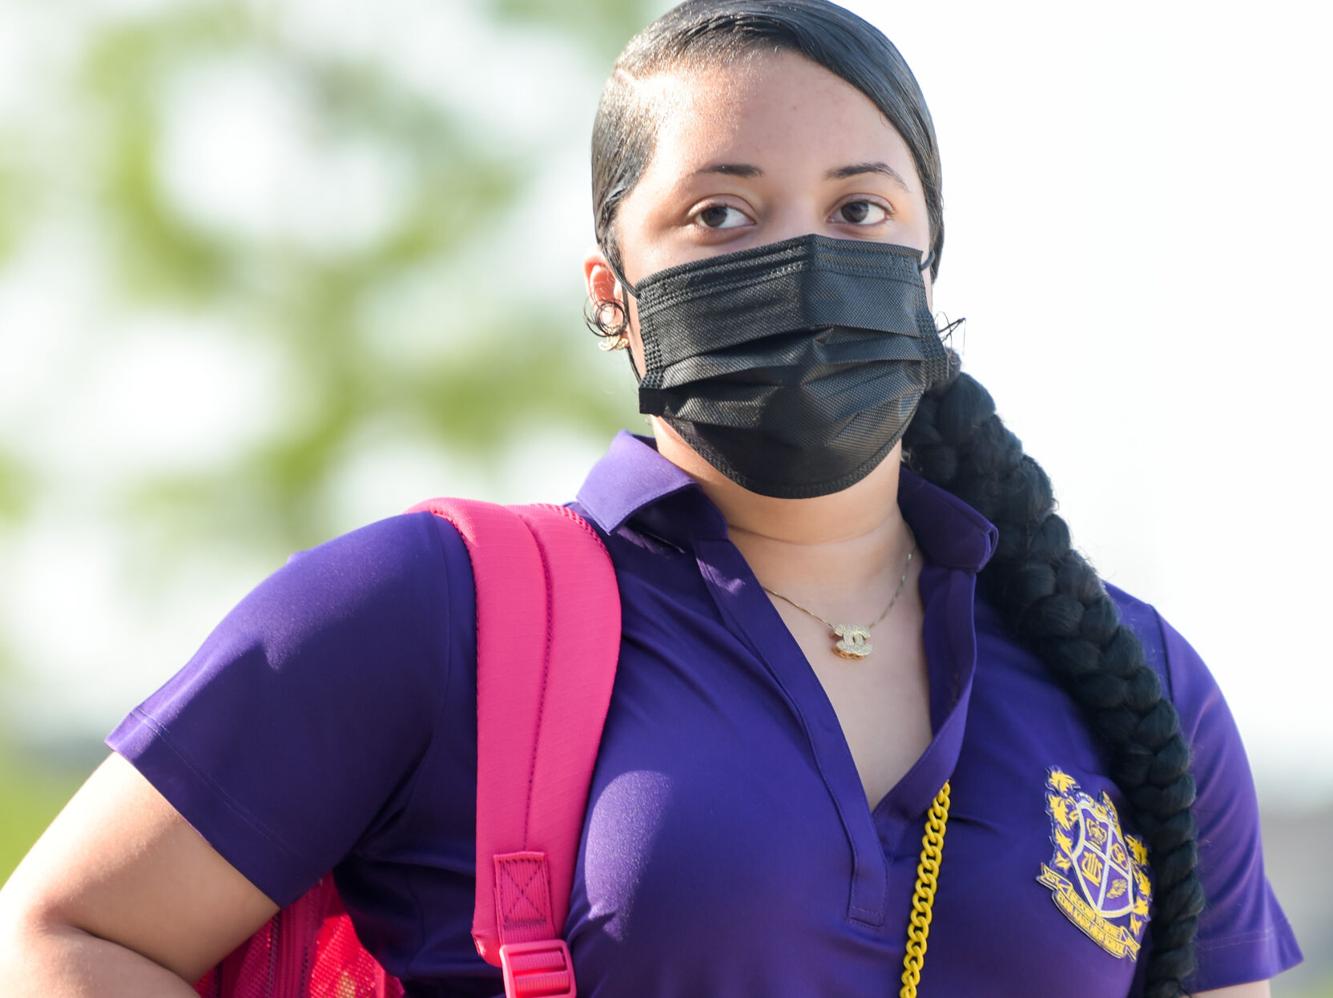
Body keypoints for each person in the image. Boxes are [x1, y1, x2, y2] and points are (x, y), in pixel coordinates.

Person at [0, 1, 1304, 995]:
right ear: (610, 291)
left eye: (859, 207)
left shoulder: (1135, 685)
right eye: (723, 216)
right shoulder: (430, 609)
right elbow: (68, 928)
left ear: (926, 271)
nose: (802, 256)